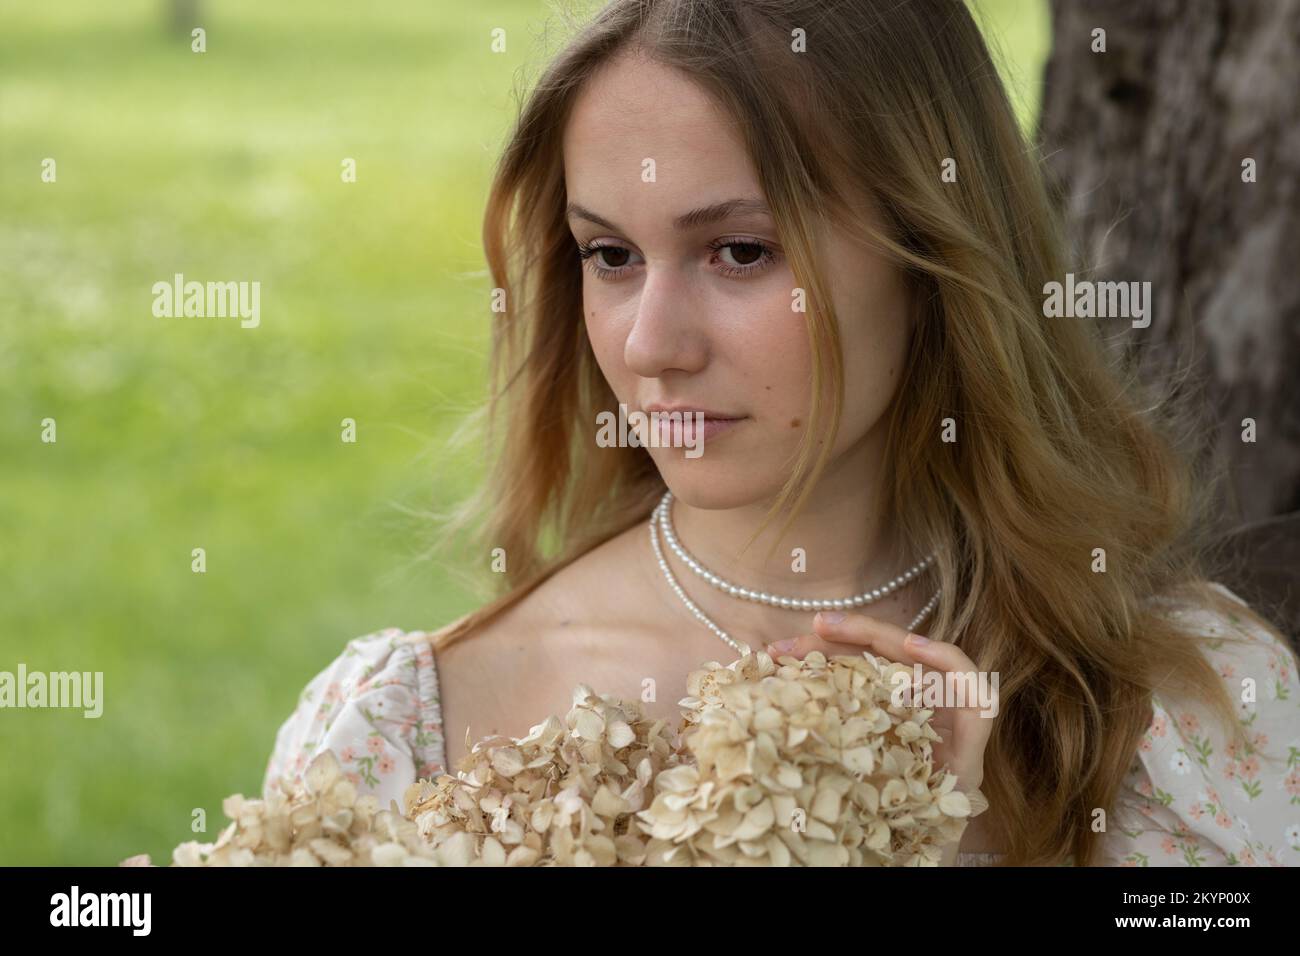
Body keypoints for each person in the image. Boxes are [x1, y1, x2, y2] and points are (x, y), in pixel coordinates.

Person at [263, 0, 1300, 866]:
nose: (650, 345)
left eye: (740, 251)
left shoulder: (1193, 712)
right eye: (610, 255)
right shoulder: (409, 735)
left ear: (933, 257)